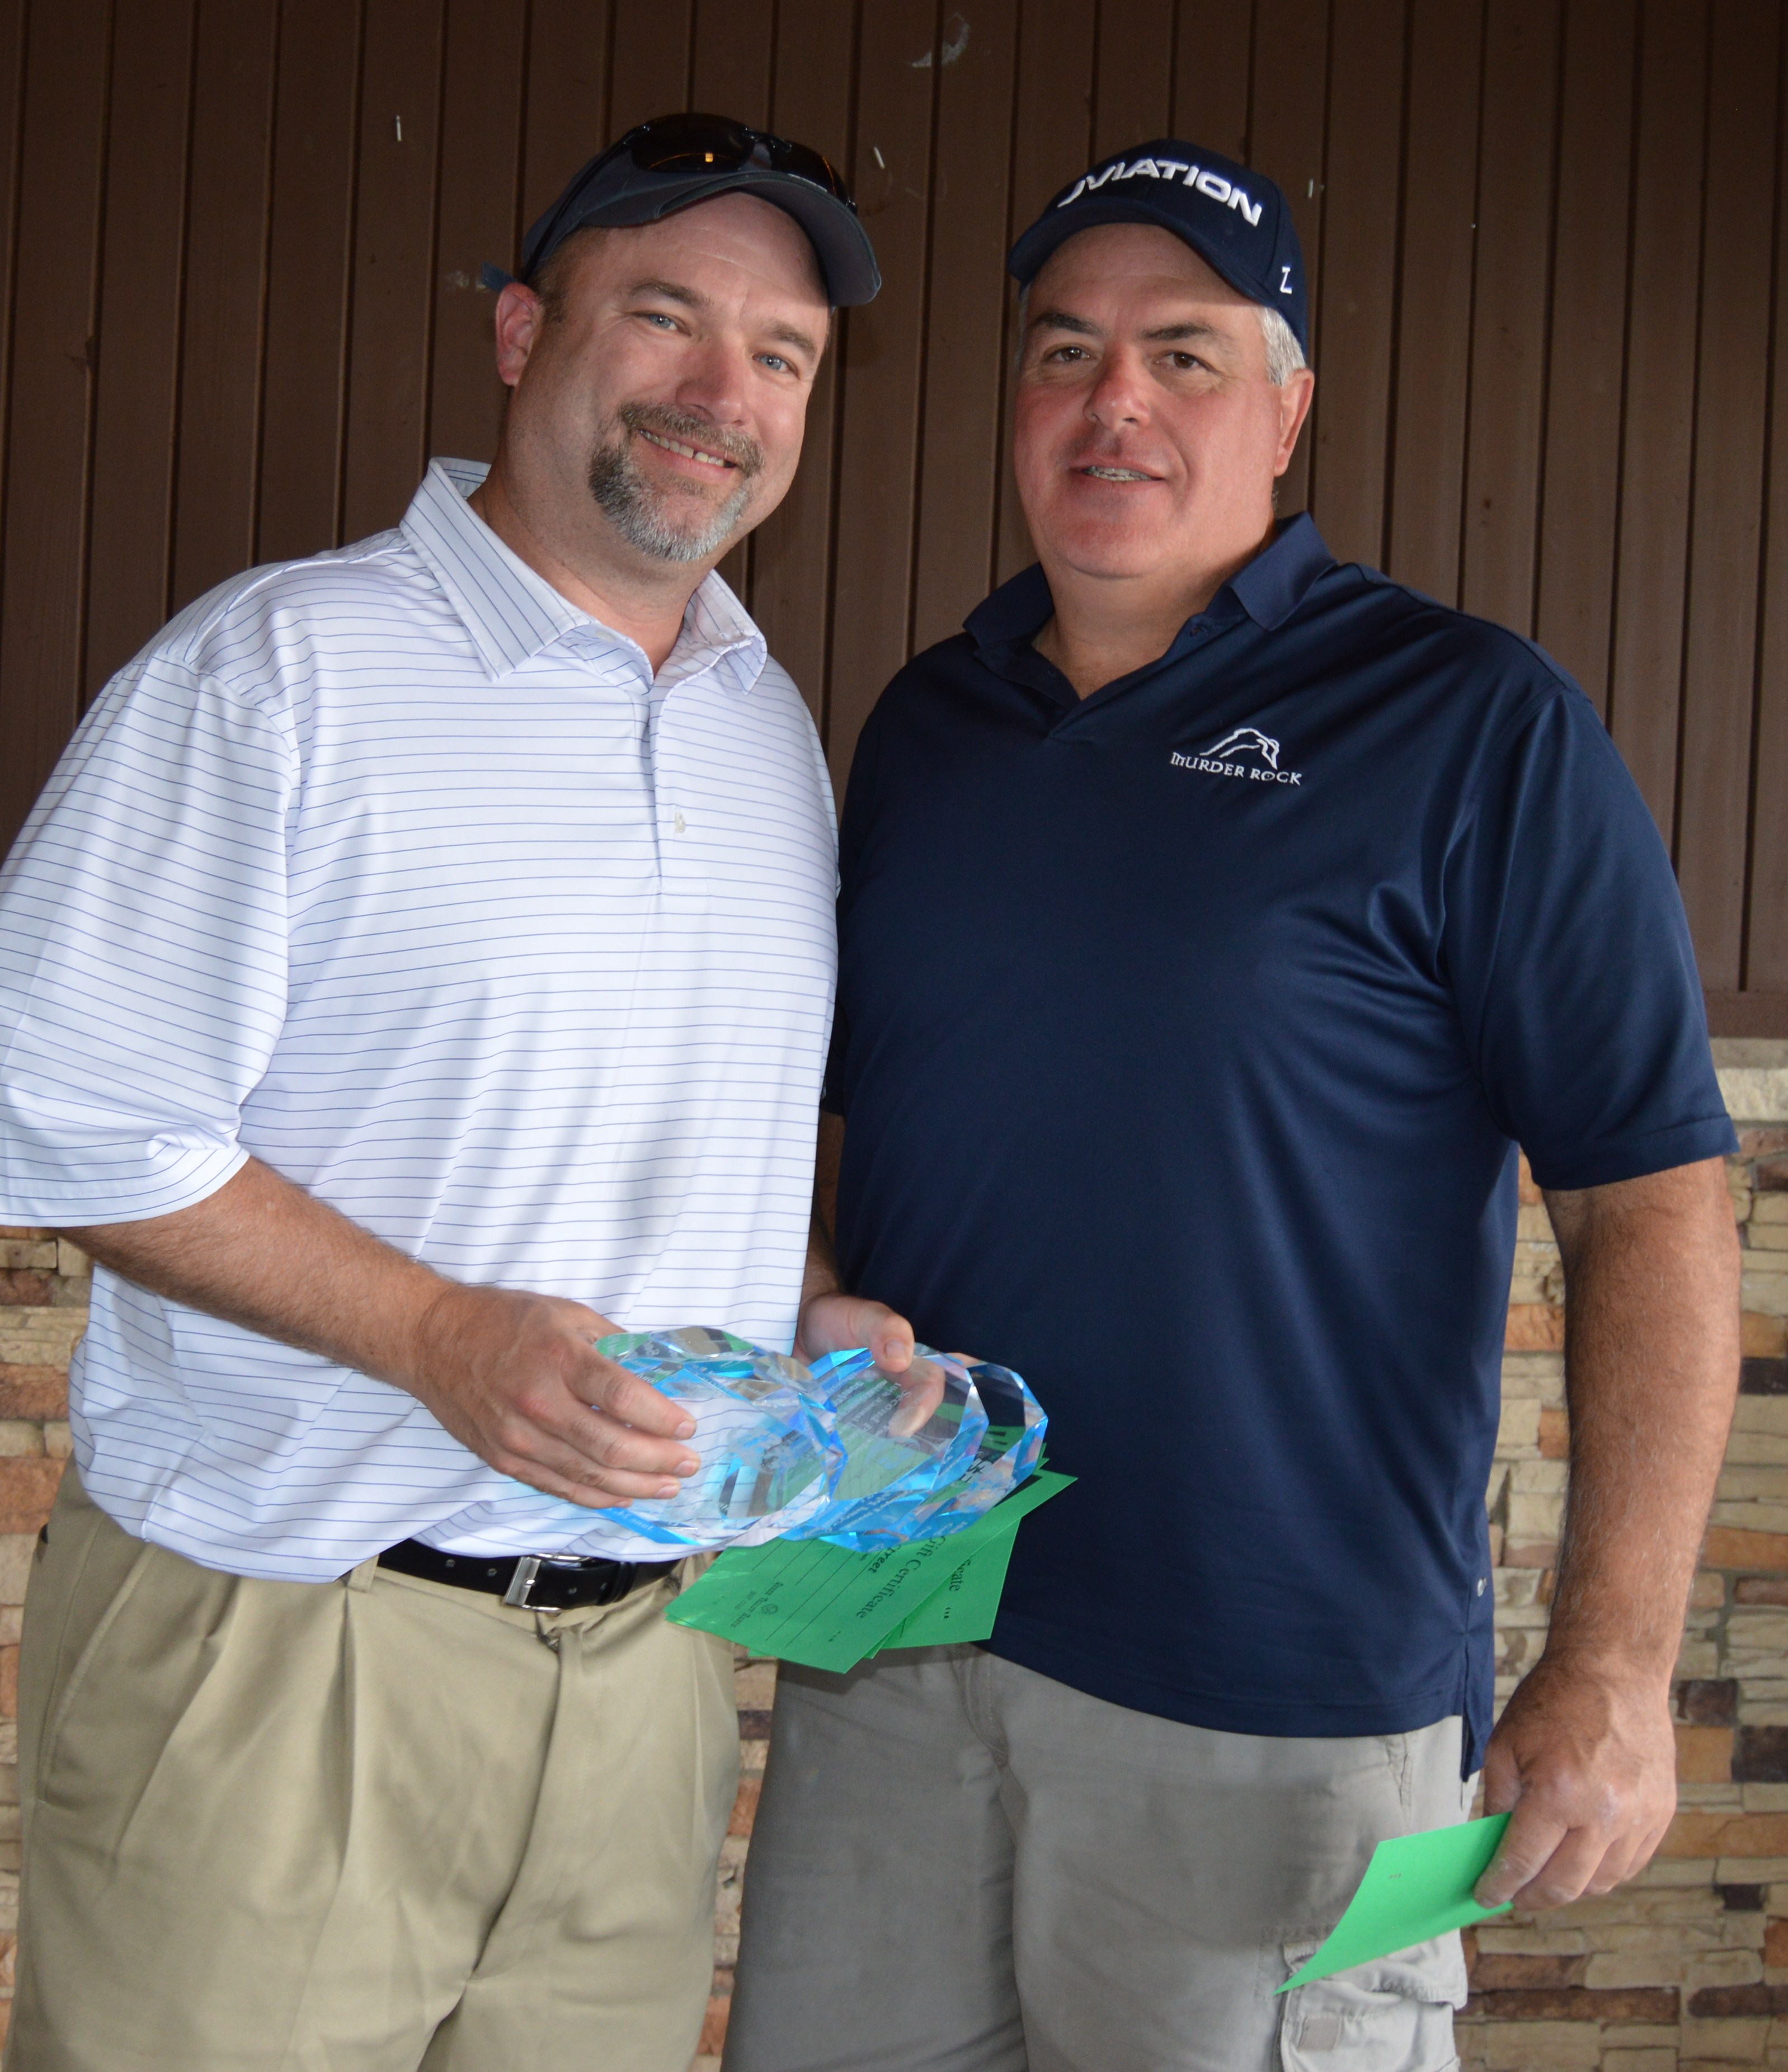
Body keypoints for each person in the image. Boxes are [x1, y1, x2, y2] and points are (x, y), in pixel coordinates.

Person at [723, 139, 1743, 2072]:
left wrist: (1614, 1666)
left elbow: (1650, 1197)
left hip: (1271, 1697)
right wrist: (806, 1308)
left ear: (1285, 412)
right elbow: (842, 1128)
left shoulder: (1468, 722)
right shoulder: (929, 723)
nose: (1112, 400)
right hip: (893, 1636)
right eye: (1064, 351)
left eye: (1182, 354)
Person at [0, 112, 880, 2072]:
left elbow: (659, 1124)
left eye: (780, 352)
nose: (720, 391)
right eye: (662, 316)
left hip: (640, 1680)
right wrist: (434, 1339)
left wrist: (808, 1304)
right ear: (517, 332)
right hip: (282, 1654)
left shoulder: (762, 731)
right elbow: (58, 1112)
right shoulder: (279, 672)